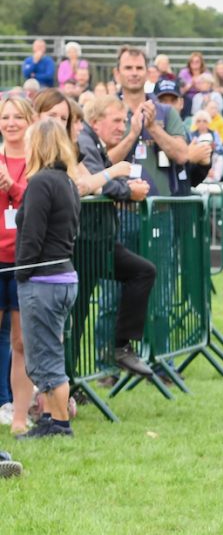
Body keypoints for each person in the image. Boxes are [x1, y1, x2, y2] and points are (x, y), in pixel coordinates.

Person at [76, 96, 156, 378]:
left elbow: (103, 178)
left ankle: (121, 346)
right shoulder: (84, 141)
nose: (122, 126)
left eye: (124, 120)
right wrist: (127, 191)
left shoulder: (93, 142)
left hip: (100, 240)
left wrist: (126, 185)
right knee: (75, 316)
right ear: (96, 122)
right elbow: (95, 184)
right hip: (84, 243)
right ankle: (67, 384)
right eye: (116, 120)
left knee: (143, 271)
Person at [13, 119, 81, 440]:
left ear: (37, 145)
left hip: (43, 281)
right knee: (50, 351)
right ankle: (52, 419)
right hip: (62, 277)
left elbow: (32, 236)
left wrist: (21, 273)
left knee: (47, 357)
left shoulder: (41, 182)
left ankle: (59, 424)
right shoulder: (66, 181)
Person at [106, 47, 192, 197]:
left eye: (139, 68)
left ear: (147, 73)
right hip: (118, 205)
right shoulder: (106, 111)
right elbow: (102, 164)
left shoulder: (166, 112)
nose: (134, 73)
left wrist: (153, 128)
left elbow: (182, 155)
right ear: (117, 74)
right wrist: (132, 136)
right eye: (128, 68)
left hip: (161, 205)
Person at [0, 97, 33, 434]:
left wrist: (13, 185)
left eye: (18, 117)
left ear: (29, 121)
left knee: (21, 341)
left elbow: (38, 202)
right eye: (5, 117)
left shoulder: (36, 160)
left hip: (25, 260)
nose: (11, 123)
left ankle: (19, 413)